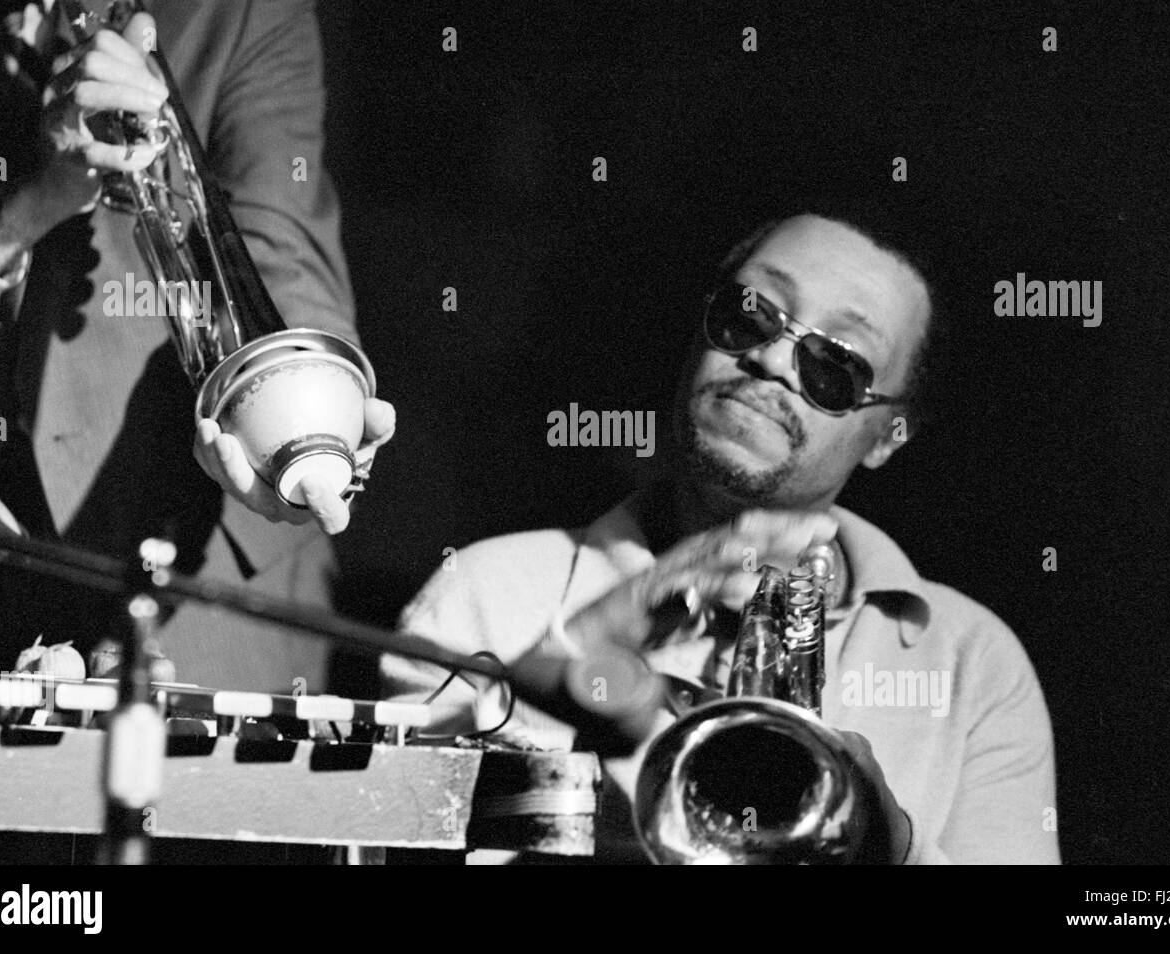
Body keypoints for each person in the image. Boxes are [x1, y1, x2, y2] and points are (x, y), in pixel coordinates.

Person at [381, 213, 1060, 864]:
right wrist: (566, 661)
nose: (769, 357)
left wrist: (885, 844)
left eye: (837, 364)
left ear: (888, 436)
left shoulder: (973, 661)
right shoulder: (487, 586)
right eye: (752, 313)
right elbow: (383, 834)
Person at [0, 0, 394, 692]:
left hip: (201, 568)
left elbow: (283, 245)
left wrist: (314, 416)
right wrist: (38, 201)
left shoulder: (245, 10)